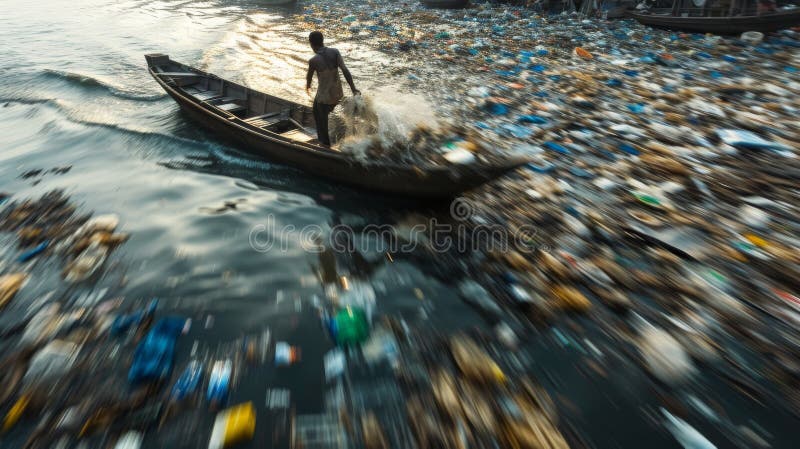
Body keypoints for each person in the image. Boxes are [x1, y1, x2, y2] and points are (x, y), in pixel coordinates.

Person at [306, 31, 359, 146]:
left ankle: (324, 144)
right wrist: (353, 89)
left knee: (321, 122)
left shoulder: (313, 61)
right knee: (322, 111)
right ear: (322, 40)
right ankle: (345, 138)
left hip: (324, 98)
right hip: (338, 94)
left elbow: (308, 79)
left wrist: (308, 88)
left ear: (311, 44)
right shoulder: (335, 52)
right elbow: (345, 71)